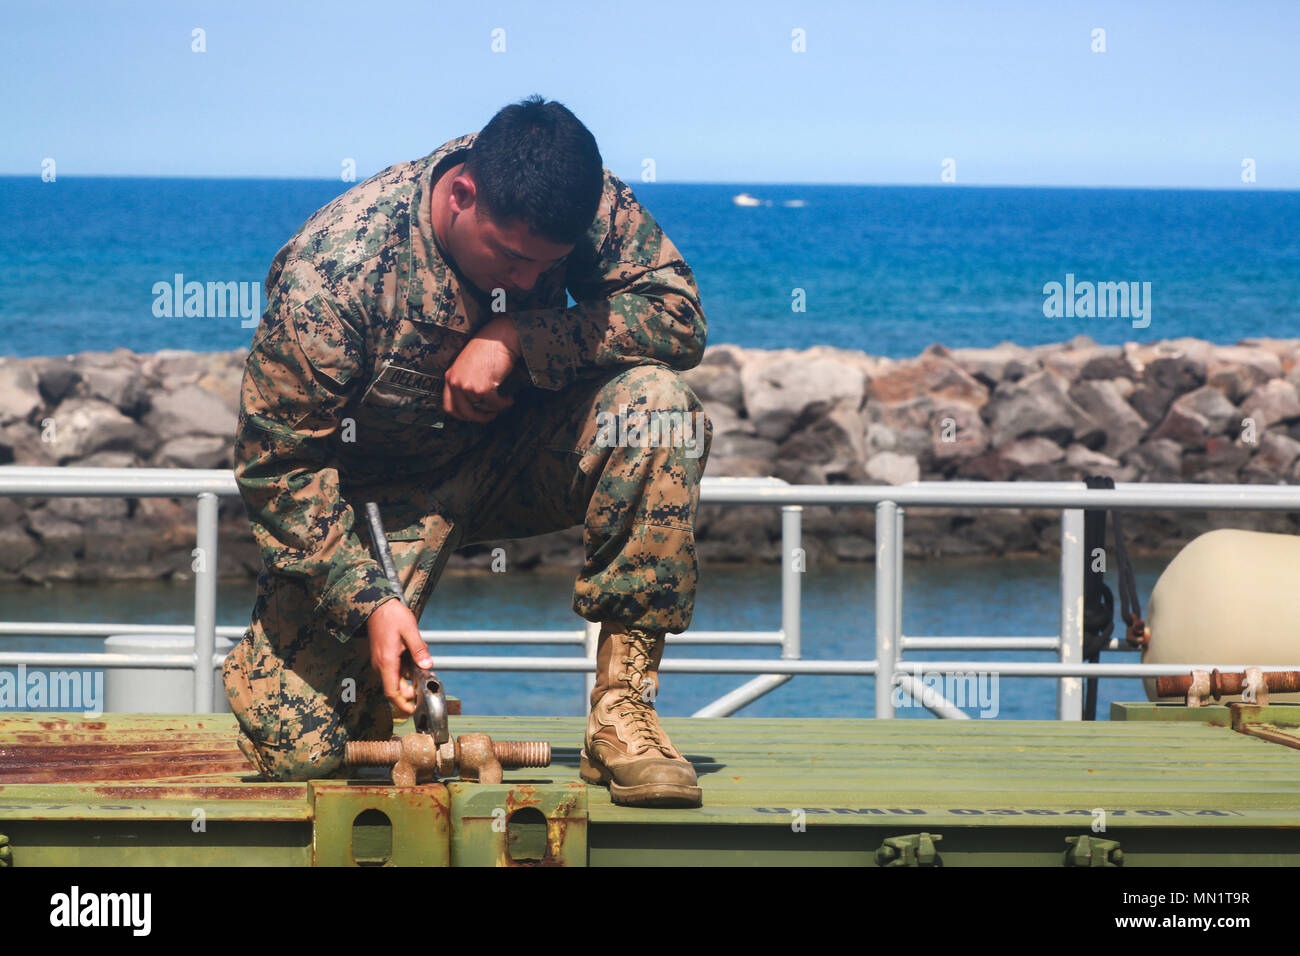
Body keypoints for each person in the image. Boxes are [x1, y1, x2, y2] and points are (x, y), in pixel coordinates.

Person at [222, 95, 712, 808]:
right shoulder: (333, 275)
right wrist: (369, 603)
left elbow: (679, 317)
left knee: (659, 410)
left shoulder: (576, 194)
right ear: (462, 194)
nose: (521, 280)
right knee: (303, 755)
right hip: (376, 505)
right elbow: (279, 466)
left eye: (542, 266)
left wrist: (521, 337)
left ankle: (623, 712)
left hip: (515, 458)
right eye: (509, 256)